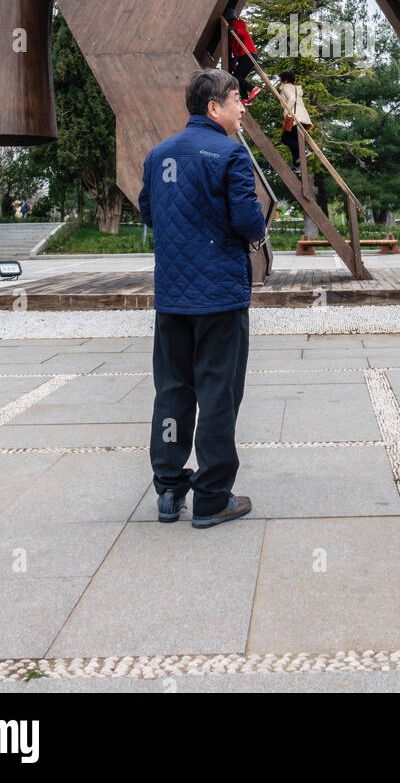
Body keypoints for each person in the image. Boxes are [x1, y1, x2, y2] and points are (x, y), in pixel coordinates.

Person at [138, 69, 267, 529]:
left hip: (172, 297)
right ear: (214, 107)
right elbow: (250, 222)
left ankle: (169, 489)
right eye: (237, 101)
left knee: (172, 390)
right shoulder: (230, 153)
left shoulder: (158, 155)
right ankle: (213, 496)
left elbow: (148, 211)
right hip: (219, 297)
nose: (242, 108)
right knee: (218, 393)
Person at [224, 5, 261, 104]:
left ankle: (253, 89)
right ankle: (245, 98)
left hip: (248, 54)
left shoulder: (237, 22)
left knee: (236, 77)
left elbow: (243, 32)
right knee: (238, 77)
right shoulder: (230, 33)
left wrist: (235, 30)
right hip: (244, 56)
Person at [278, 70, 313, 172]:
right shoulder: (295, 88)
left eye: (280, 80)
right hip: (302, 118)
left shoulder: (286, 87)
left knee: (286, 139)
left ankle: (304, 152)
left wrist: (286, 112)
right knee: (294, 140)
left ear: (285, 80)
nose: (279, 82)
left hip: (294, 117)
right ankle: (296, 164)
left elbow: (292, 99)